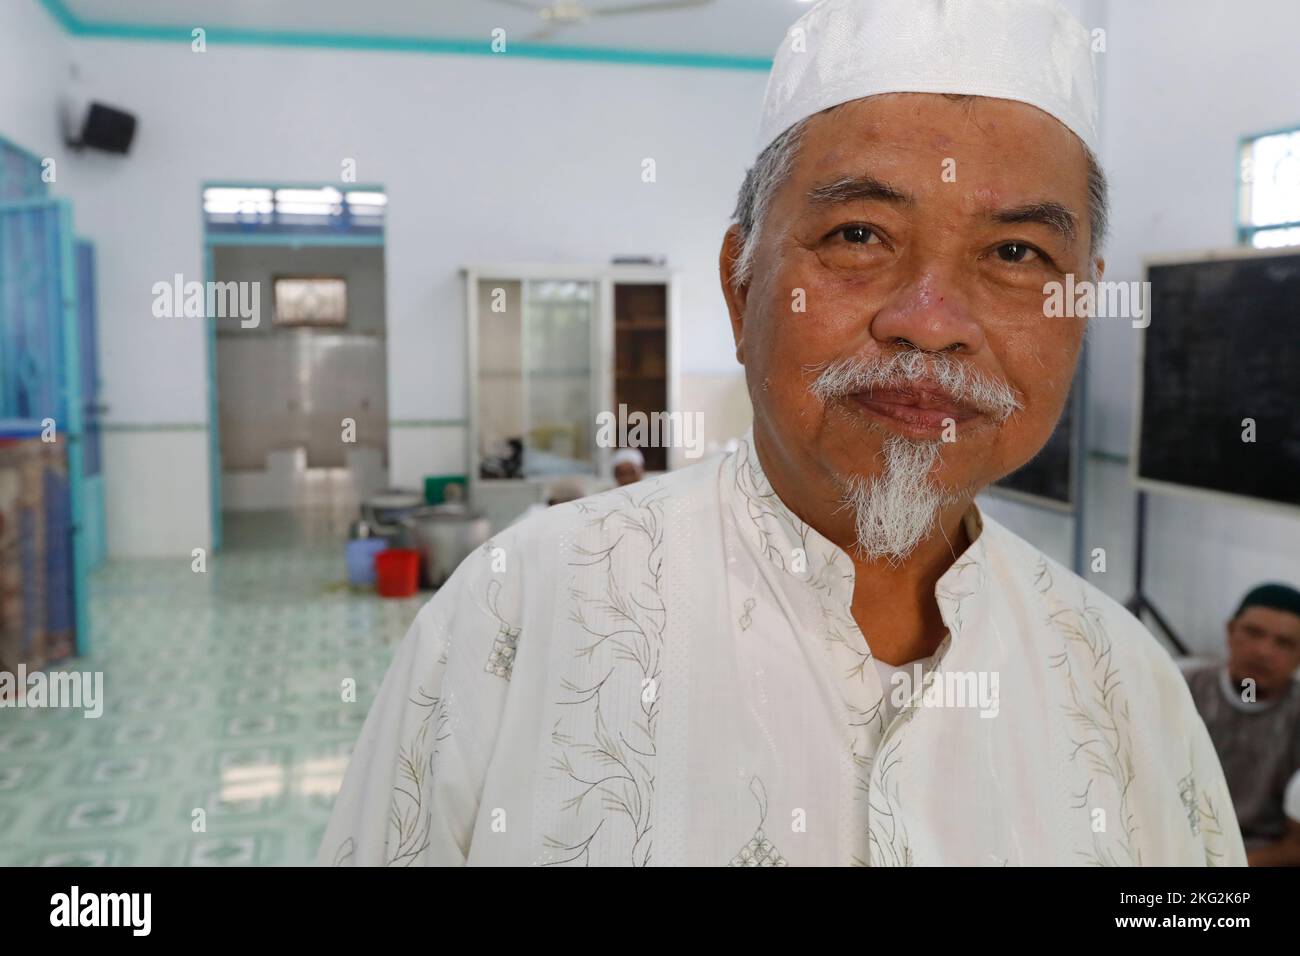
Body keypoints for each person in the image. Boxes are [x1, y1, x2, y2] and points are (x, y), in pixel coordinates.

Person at [321, 0, 1244, 866]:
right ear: (741, 282)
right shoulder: (514, 620)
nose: (930, 320)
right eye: (858, 235)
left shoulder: (1126, 686)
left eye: (1015, 254)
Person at [1185, 584, 1300, 866]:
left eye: (1283, 643)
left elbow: (1296, 846)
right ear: (1230, 631)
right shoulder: (1181, 688)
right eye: (1253, 632)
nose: (1263, 651)